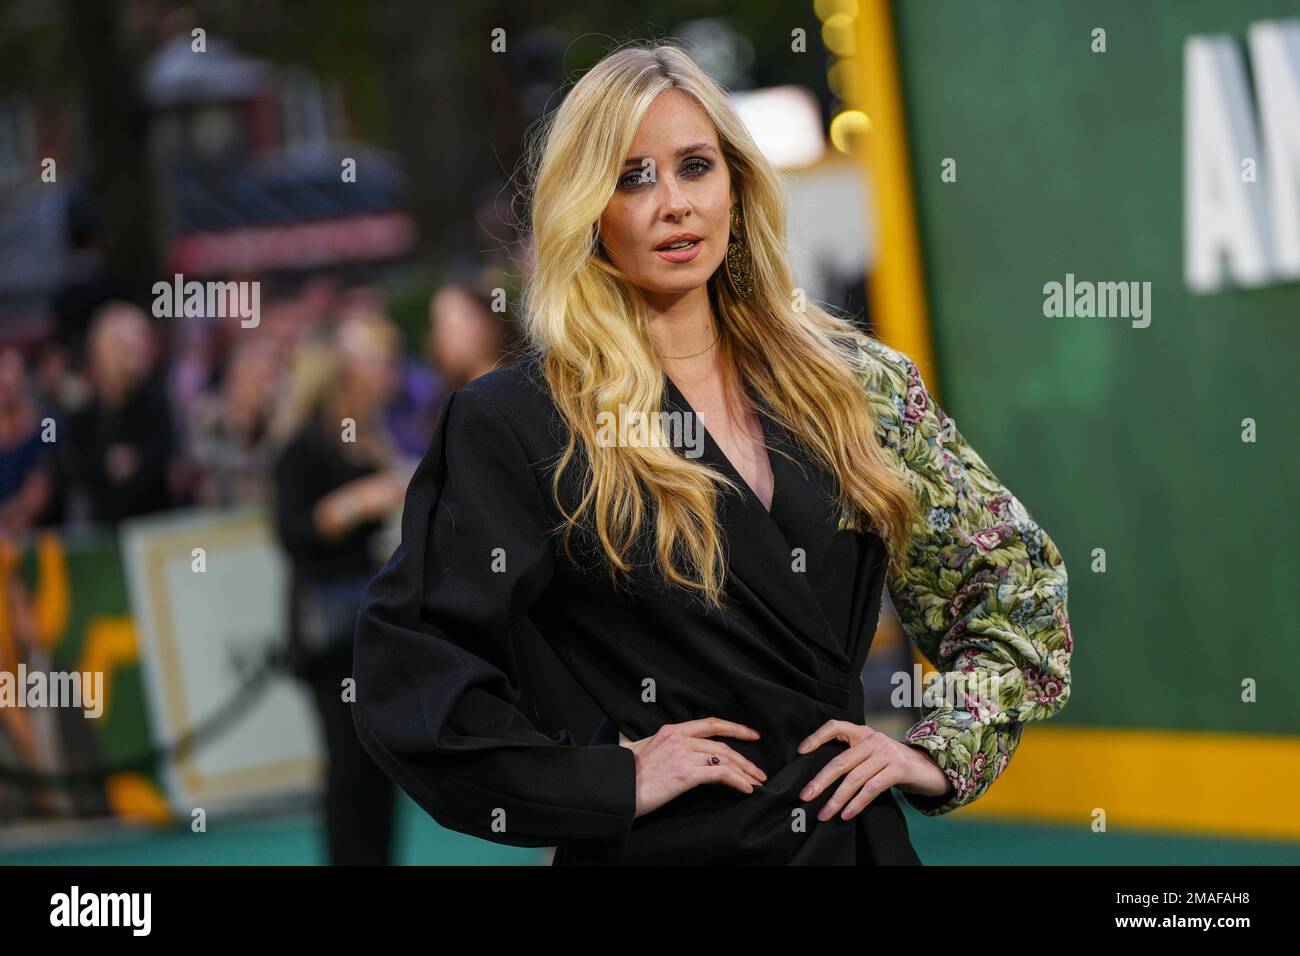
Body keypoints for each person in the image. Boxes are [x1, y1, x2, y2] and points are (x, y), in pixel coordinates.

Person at [351, 44, 1073, 865]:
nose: (673, 204)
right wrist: (602, 781)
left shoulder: (856, 384)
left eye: (695, 167)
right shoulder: (521, 422)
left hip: (851, 845)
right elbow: (407, 671)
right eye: (632, 177)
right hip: (668, 850)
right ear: (587, 209)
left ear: (736, 185)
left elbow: (1013, 584)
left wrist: (939, 752)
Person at [269, 313, 409, 865]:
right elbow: (292, 530)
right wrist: (361, 501)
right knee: (347, 765)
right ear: (343, 371)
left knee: (379, 762)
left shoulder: (367, 434)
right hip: (328, 632)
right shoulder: (303, 443)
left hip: (368, 623)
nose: (386, 370)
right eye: (374, 360)